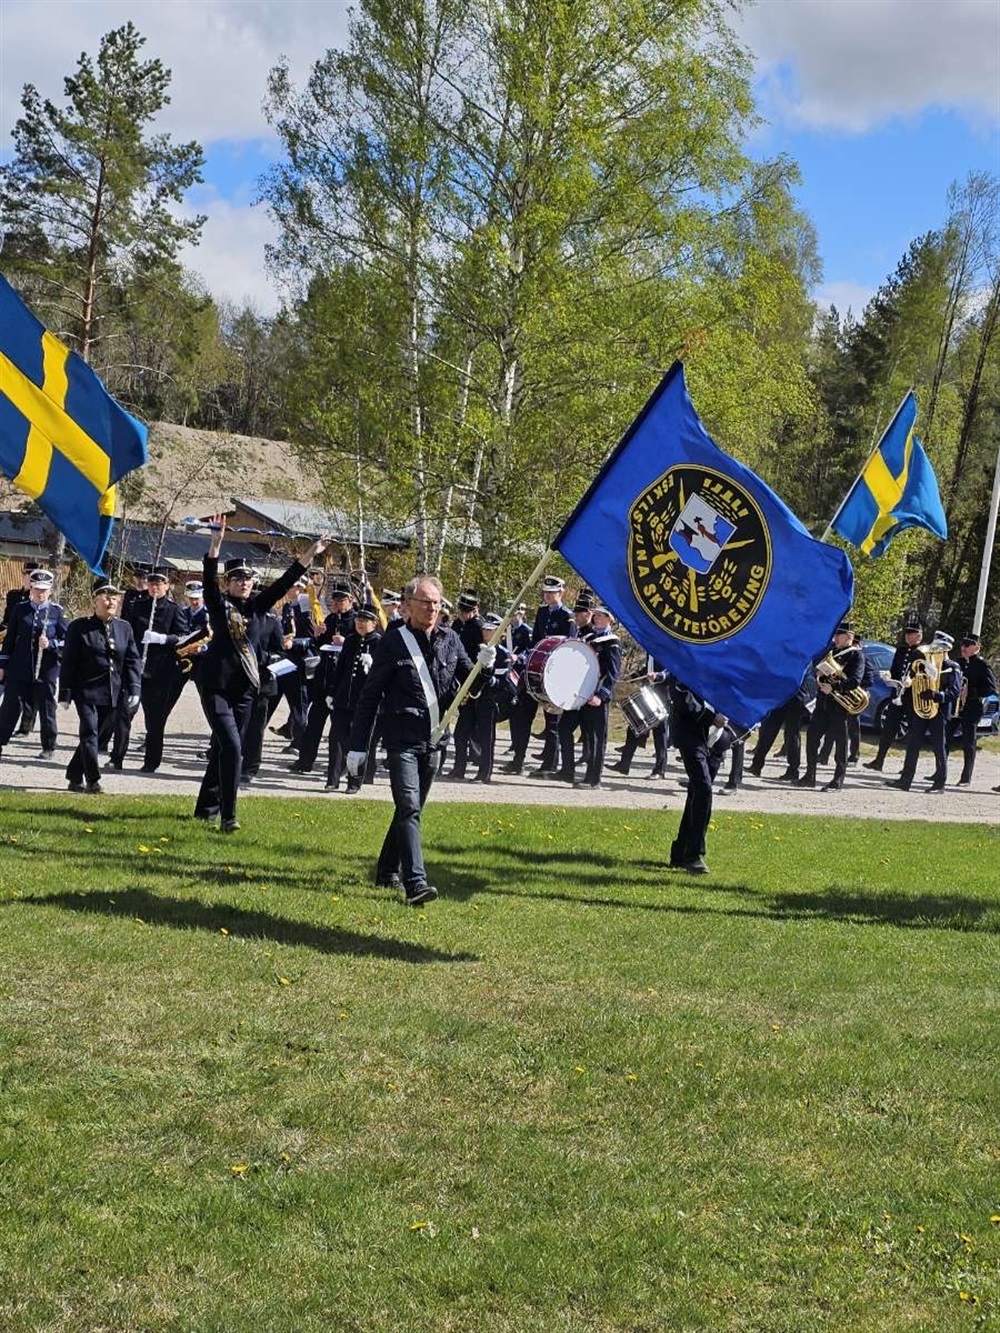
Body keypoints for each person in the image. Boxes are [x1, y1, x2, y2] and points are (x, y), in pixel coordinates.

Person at [346, 575, 492, 906]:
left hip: (435, 740)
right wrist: (358, 745)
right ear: (408, 605)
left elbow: (472, 687)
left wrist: (486, 668)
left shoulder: (451, 639)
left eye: (437, 603)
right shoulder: (394, 642)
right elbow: (370, 697)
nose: (432, 609)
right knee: (409, 807)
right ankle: (415, 884)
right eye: (425, 602)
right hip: (402, 739)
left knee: (410, 809)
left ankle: (386, 871)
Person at [195, 516, 331, 831]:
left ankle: (206, 808)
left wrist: (312, 552)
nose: (244, 583)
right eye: (238, 579)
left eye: (249, 579)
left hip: (245, 690)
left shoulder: (258, 607)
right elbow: (207, 579)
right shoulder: (219, 606)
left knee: (222, 748)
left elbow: (286, 581)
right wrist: (215, 543)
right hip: (216, 687)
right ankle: (229, 816)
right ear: (228, 583)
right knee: (232, 746)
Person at [58, 577, 141, 793]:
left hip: (114, 692)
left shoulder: (124, 628)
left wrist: (134, 688)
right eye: (105, 596)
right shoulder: (79, 627)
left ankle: (74, 774)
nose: (110, 601)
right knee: (89, 733)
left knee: (100, 736)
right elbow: (69, 662)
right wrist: (65, 693)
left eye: (114, 597)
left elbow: (132, 660)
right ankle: (93, 780)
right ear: (94, 601)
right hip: (85, 691)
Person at [507, 574, 575, 776]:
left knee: (551, 720)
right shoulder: (542, 612)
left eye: (552, 593)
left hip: (554, 675)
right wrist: (524, 659)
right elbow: (535, 642)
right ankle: (518, 760)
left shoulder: (567, 616)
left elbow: (569, 647)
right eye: (546, 592)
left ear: (560, 592)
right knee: (522, 716)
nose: (547, 596)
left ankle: (550, 764)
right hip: (536, 671)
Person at [0, 568, 69, 762]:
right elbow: (10, 638)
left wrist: (52, 644)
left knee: (47, 707)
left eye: (44, 590)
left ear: (50, 591)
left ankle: (48, 745)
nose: (40, 593)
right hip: (20, 666)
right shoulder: (20, 609)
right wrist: (2, 664)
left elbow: (68, 640)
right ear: (31, 588)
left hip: (46, 669)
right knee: (11, 705)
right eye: (37, 589)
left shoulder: (56, 612)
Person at [127, 565, 190, 773]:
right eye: (152, 583)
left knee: (155, 719)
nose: (155, 587)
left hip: (162, 671)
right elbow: (129, 632)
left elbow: (183, 637)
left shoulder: (174, 609)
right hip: (138, 667)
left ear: (167, 585)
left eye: (159, 584)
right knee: (127, 712)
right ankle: (116, 755)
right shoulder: (138, 605)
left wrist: (163, 639)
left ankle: (151, 761)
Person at [668, 680, 732, 874]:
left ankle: (680, 850)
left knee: (696, 792)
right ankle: (695, 855)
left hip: (718, 738)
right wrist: (711, 718)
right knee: (703, 789)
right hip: (692, 734)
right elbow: (682, 699)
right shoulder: (686, 659)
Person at [887, 631, 962, 793]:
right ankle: (905, 780)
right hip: (920, 709)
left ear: (945, 649)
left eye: (938, 650)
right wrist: (909, 682)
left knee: (938, 746)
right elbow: (912, 678)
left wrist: (937, 695)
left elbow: (954, 692)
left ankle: (939, 783)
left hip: (939, 711)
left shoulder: (952, 667)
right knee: (913, 743)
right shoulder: (924, 664)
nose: (934, 653)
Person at [799, 621, 864, 792]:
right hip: (823, 704)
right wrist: (819, 673)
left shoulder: (856, 656)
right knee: (812, 738)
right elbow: (819, 671)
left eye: (839, 635)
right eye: (836, 635)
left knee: (841, 744)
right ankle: (810, 775)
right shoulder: (832, 652)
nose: (835, 638)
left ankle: (838, 779)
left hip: (840, 705)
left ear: (849, 637)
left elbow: (855, 680)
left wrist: (834, 687)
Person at [326, 603, 382, 791]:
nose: (360, 623)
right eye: (358, 619)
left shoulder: (379, 643)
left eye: (365, 620)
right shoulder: (350, 640)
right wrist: (332, 692)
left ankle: (354, 781)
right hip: (344, 698)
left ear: (374, 623)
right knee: (337, 738)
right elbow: (340, 669)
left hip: (364, 702)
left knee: (359, 743)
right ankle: (332, 779)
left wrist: (373, 665)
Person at [863, 614, 925, 772]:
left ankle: (908, 767)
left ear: (918, 636)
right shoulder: (901, 650)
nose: (907, 636)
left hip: (911, 698)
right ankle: (879, 760)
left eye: (911, 634)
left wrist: (912, 680)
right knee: (889, 728)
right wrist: (890, 677)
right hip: (897, 694)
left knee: (912, 732)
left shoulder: (921, 654)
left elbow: (924, 675)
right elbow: (895, 669)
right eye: (906, 633)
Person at [748, 670, 816, 782]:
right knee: (769, 730)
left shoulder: (803, 656)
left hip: (797, 697)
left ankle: (793, 771)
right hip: (781, 695)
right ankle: (756, 765)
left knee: (791, 734)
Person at [955, 632, 997, 787]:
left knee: (968, 742)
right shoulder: (958, 662)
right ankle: (939, 773)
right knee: (944, 737)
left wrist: (970, 692)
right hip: (957, 707)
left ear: (977, 648)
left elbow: (991, 689)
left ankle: (966, 777)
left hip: (972, 707)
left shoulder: (982, 665)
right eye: (962, 644)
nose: (963, 648)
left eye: (967, 645)